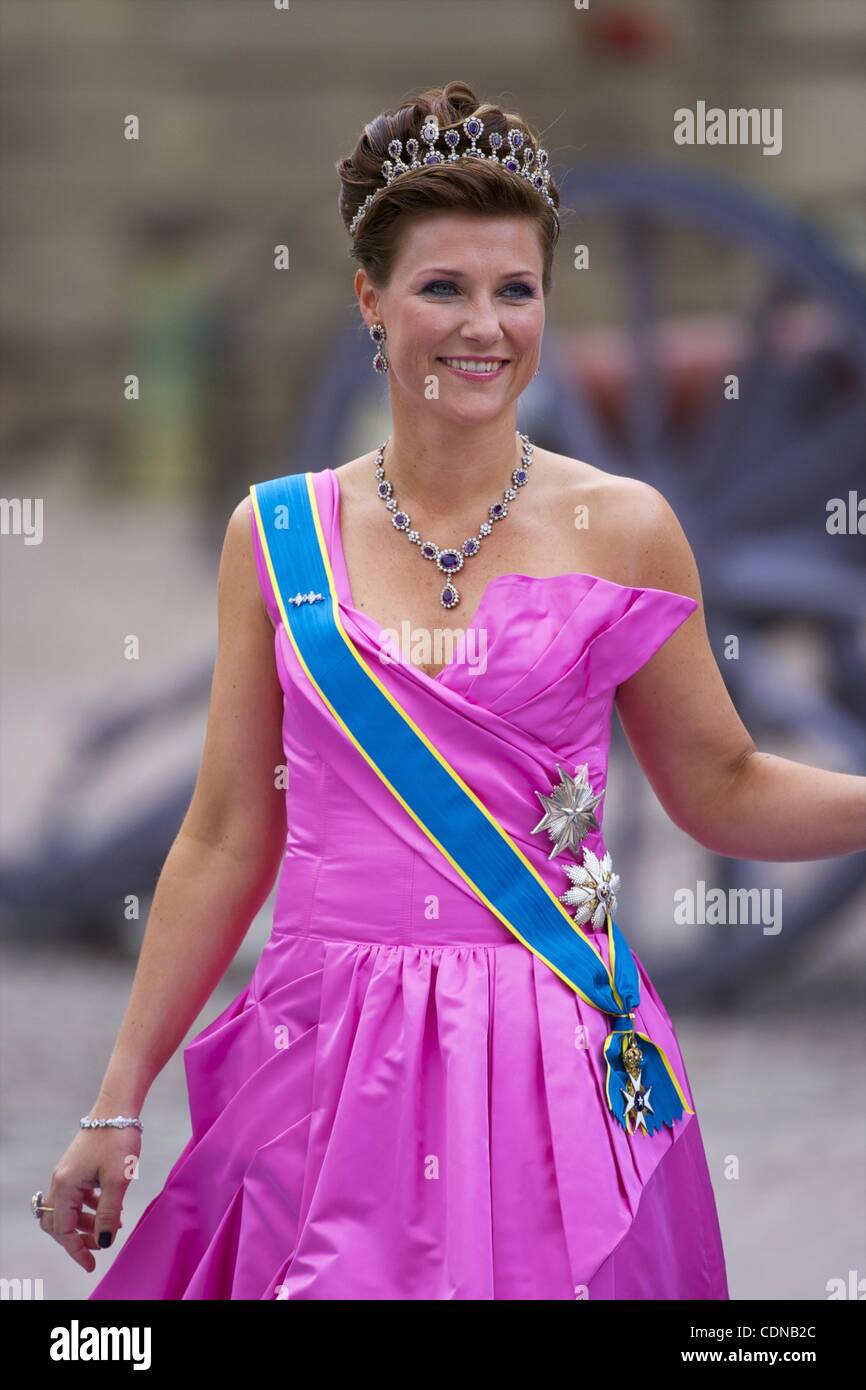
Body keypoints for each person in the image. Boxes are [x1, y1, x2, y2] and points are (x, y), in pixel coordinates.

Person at [36, 82, 865, 1301]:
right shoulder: (274, 535)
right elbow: (223, 833)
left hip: (549, 1061)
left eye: (514, 290)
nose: (482, 326)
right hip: (322, 1063)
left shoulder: (623, 527)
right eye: (442, 287)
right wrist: (117, 1102)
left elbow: (722, 785)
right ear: (370, 303)